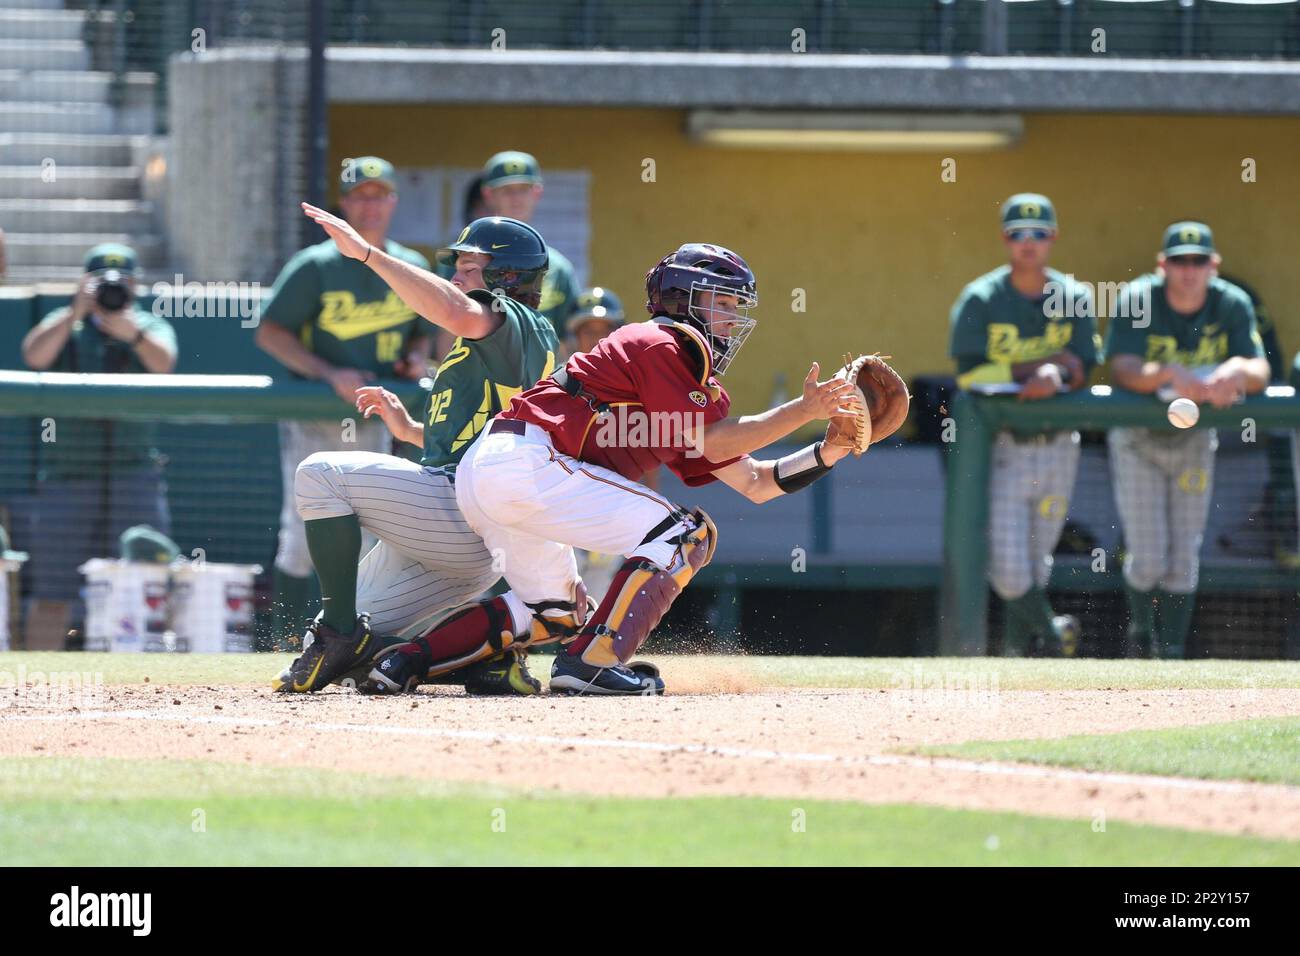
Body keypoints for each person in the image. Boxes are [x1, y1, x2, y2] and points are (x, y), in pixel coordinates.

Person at [361, 243, 865, 696]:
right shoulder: (662, 342)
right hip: (526, 462)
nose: (733, 318)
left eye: (737, 306)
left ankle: (405, 660)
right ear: (685, 299)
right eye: (725, 302)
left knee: (555, 612)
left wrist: (829, 450)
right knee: (685, 533)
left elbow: (757, 482)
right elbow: (712, 438)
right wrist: (802, 410)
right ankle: (592, 662)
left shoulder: (687, 381)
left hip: (504, 473)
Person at [272, 206, 562, 695]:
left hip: (461, 510)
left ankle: (342, 636)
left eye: (470, 266)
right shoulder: (511, 339)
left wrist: (366, 254)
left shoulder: (513, 321)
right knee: (352, 646)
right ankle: (481, 661)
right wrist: (407, 428)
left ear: (507, 276)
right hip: (464, 528)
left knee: (320, 474)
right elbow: (465, 443)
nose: (456, 274)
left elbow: (451, 308)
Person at [255, 156, 433, 650]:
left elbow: (425, 334)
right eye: (360, 196)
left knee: (377, 535)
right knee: (300, 531)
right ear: (345, 204)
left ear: (393, 201)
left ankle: (365, 640)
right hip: (318, 416)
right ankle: (286, 640)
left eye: (380, 195)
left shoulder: (410, 265)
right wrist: (327, 372)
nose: (370, 205)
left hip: (382, 417)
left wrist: (416, 358)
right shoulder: (315, 266)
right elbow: (271, 333)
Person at [1105, 221, 1269, 659]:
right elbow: (1120, 367)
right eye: (1180, 261)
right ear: (1163, 265)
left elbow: (1260, 369)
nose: (1189, 270)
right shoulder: (1140, 298)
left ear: (1213, 265)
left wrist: (1235, 370)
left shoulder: (1230, 303)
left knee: (1183, 557)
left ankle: (1172, 651)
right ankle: (1141, 637)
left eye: (1198, 261)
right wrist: (1164, 372)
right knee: (1149, 555)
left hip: (1195, 438)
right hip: (1139, 438)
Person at [948, 194, 1098, 657]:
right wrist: (1039, 366)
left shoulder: (1072, 296)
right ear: (1004, 239)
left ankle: (1018, 655)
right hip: (1005, 446)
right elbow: (969, 374)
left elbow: (1086, 365)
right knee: (1009, 569)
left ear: (1052, 238)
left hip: (1059, 444)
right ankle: (1055, 632)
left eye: (1038, 234)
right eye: (1018, 234)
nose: (1028, 243)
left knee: (1037, 563)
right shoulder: (983, 296)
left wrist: (1060, 373)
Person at [19, 242, 177, 616]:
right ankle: (38, 674)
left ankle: (153, 672)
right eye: (102, 282)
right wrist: (76, 312)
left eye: (121, 281)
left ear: (135, 285)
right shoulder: (65, 322)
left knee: (149, 581)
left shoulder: (147, 325)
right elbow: (33, 356)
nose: (112, 289)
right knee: (53, 589)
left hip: (133, 474)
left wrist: (131, 335)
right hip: (68, 476)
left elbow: (164, 363)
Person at [439, 151, 580, 336]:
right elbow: (447, 333)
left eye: (523, 189)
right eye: (506, 190)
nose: (516, 198)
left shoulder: (557, 267)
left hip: (543, 363)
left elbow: (567, 340)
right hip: (480, 364)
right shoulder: (462, 259)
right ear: (488, 194)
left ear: (537, 192)